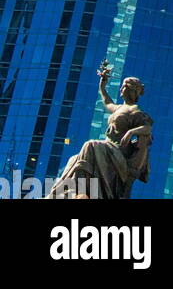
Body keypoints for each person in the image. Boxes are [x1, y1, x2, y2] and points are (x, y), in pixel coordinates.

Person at [47, 64, 153, 200]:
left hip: (118, 153)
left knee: (91, 145)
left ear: (133, 91)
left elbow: (148, 128)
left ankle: (81, 191)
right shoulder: (119, 108)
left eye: (125, 86)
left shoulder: (136, 111)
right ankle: (60, 194)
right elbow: (107, 102)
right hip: (107, 149)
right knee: (74, 159)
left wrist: (131, 132)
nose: (122, 89)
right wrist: (102, 86)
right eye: (122, 86)